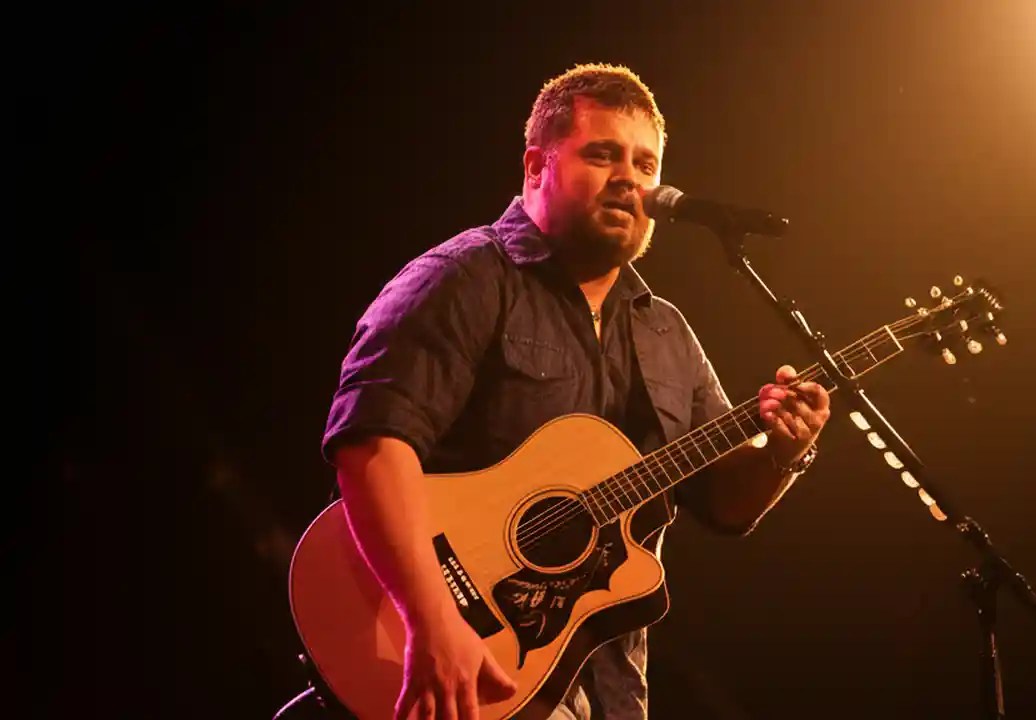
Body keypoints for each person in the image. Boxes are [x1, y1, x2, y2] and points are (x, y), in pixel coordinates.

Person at [321, 63, 831, 720]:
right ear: (536, 166)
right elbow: (371, 446)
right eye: (602, 154)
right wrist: (434, 622)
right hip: (464, 670)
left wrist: (782, 454)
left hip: (609, 691)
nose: (631, 179)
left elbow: (724, 504)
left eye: (646, 165)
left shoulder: (665, 332)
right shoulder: (463, 280)